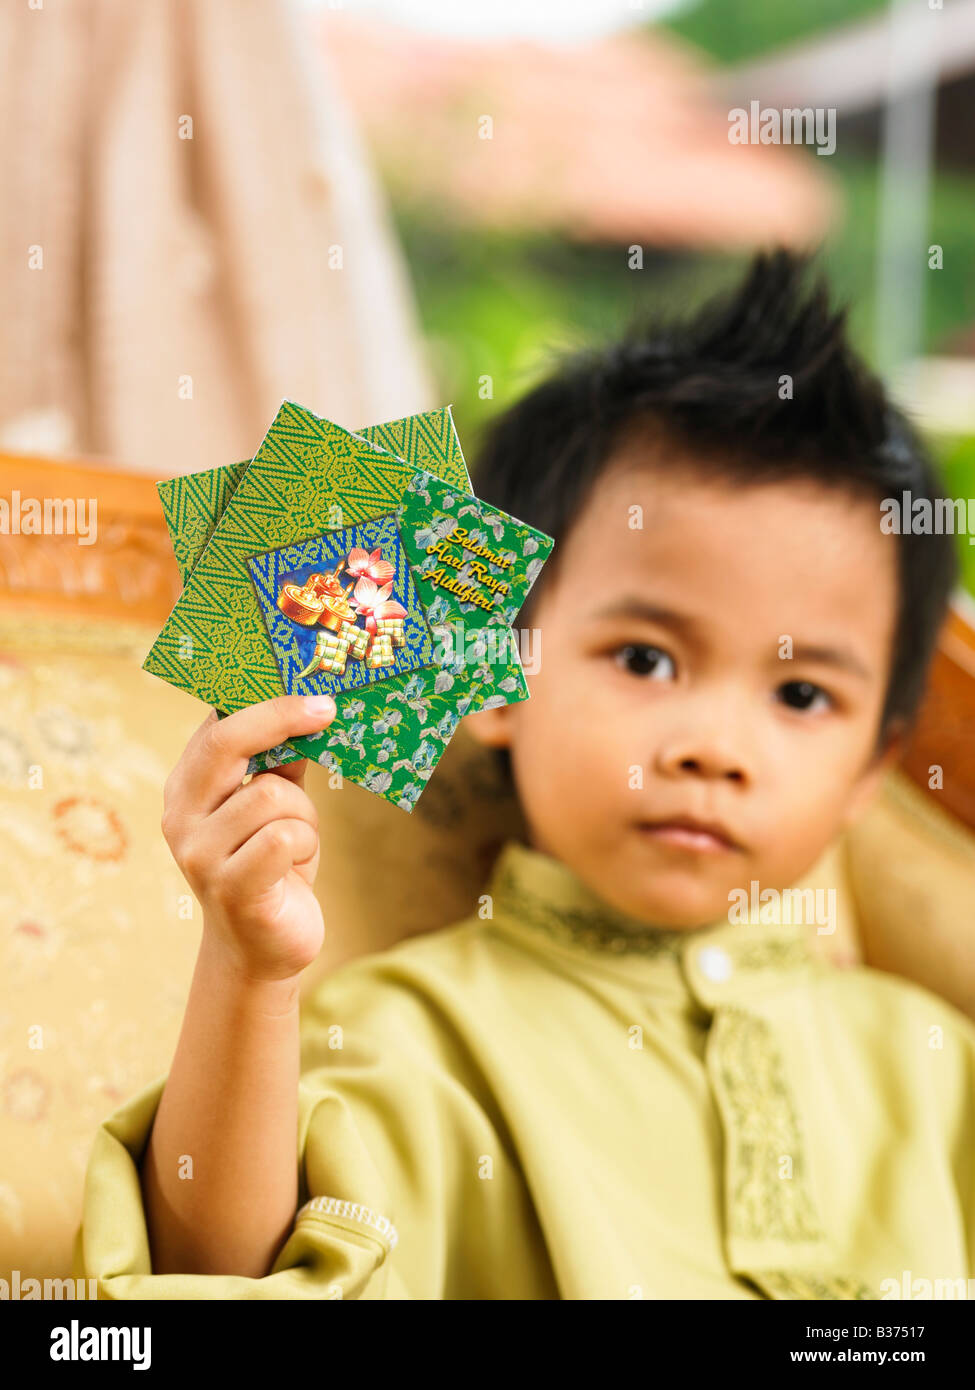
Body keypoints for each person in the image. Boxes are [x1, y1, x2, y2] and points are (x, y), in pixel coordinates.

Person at [73, 251, 974, 1299]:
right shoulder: (404, 1039)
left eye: (803, 695)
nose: (714, 747)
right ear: (493, 671)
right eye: (646, 658)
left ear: (874, 767)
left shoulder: (934, 1062)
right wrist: (249, 966)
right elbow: (222, 1284)